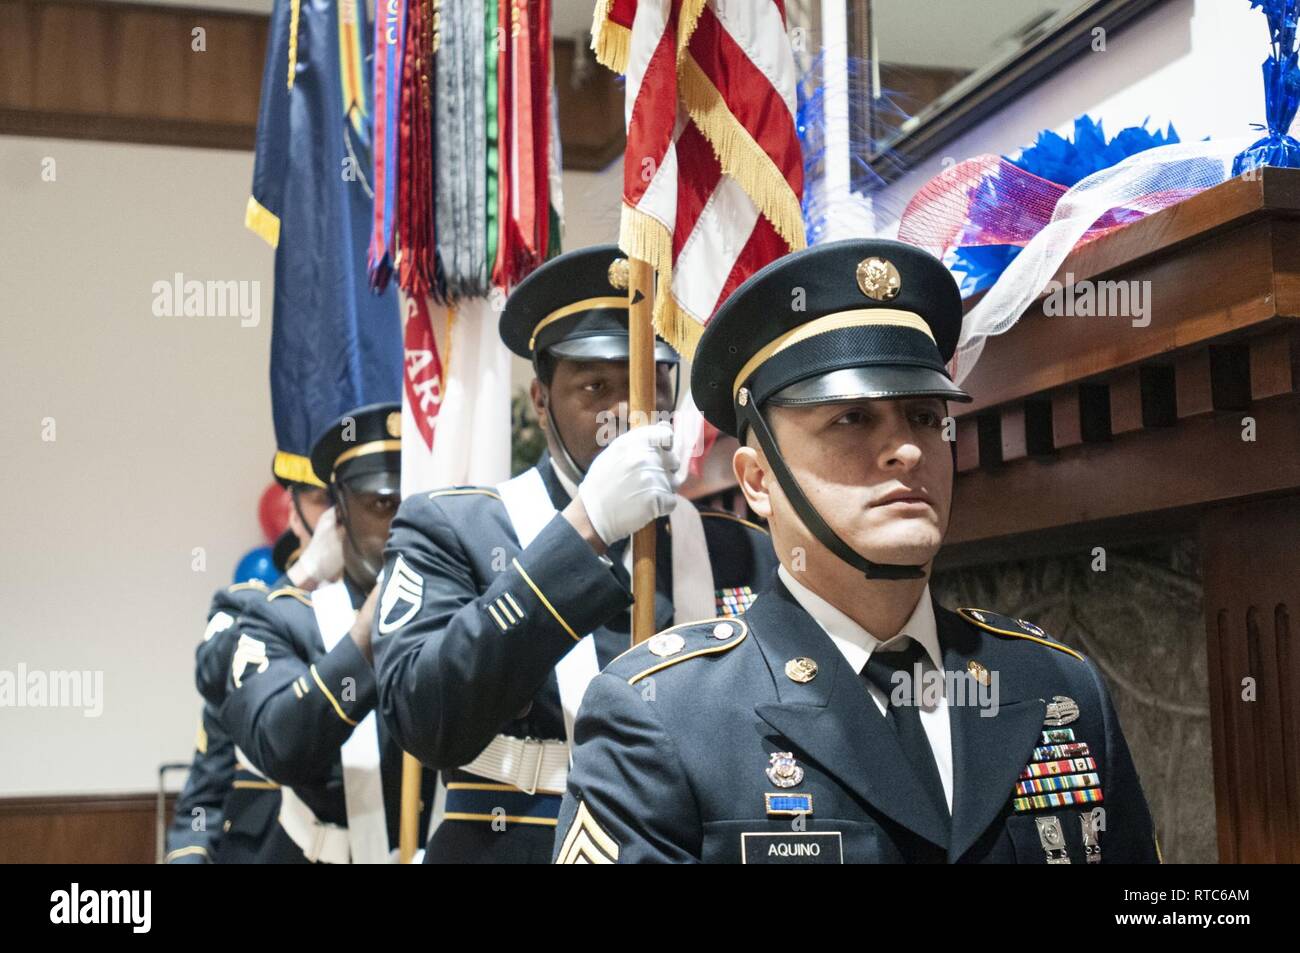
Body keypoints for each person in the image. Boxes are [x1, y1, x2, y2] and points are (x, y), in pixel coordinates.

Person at [554, 238, 1161, 864]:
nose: (908, 450)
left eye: (925, 417)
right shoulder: (663, 717)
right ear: (759, 481)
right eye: (851, 419)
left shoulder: (1056, 683)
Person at [374, 244, 778, 862]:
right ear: (540, 401)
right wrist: (582, 530)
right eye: (595, 386)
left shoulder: (740, 549)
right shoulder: (455, 527)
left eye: (650, 380)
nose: (628, 408)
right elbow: (423, 717)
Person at [221, 405, 434, 862]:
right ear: (339, 512)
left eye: (413, 503)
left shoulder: (452, 611)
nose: (402, 523)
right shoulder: (285, 620)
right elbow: (277, 746)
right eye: (382, 504)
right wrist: (366, 636)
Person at [170, 465, 341, 863]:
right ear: (294, 513)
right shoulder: (248, 607)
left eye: (345, 497)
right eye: (322, 500)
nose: (337, 517)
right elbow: (203, 800)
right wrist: (304, 575)